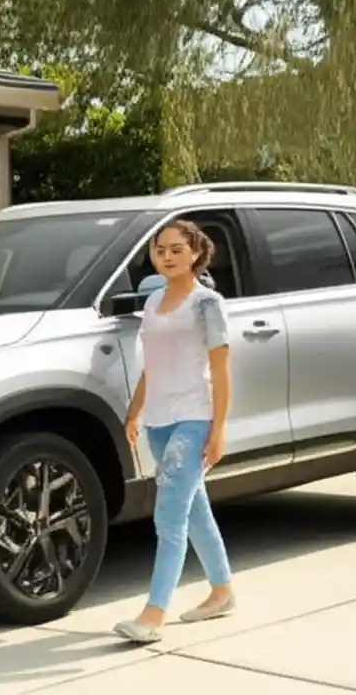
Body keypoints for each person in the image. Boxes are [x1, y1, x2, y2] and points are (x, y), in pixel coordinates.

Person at [115, 219, 236, 643]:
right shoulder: (152, 303)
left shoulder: (207, 303)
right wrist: (134, 412)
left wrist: (218, 430)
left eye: (176, 249)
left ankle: (154, 614)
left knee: (169, 516)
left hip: (193, 416)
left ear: (196, 255)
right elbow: (154, 366)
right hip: (158, 422)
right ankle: (222, 591)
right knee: (195, 510)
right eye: (159, 250)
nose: (166, 256)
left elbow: (221, 372)